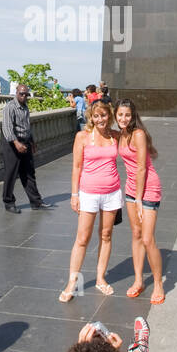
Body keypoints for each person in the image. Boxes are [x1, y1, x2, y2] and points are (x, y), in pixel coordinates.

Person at [60, 98, 122, 302]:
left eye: (103, 115)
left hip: (112, 193)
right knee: (82, 238)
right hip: (89, 193)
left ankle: (100, 279)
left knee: (106, 235)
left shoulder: (116, 136)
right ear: (91, 118)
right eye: (96, 116)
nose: (100, 119)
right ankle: (72, 283)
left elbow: (135, 148)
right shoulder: (82, 136)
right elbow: (76, 167)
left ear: (109, 115)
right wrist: (74, 194)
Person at [115, 99, 165, 305]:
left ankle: (159, 284)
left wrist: (138, 198)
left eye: (127, 115)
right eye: (120, 115)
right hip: (131, 188)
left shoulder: (138, 134)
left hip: (148, 188)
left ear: (133, 115)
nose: (123, 118)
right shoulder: (121, 134)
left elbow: (143, 168)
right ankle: (138, 280)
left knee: (147, 238)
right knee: (135, 234)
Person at [1, 83, 50, 212]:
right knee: (11, 174)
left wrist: (32, 142)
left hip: (25, 142)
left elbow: (27, 127)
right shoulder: (10, 107)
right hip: (12, 144)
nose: (24, 96)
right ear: (16, 93)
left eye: (26, 94)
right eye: (21, 93)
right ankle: (8, 202)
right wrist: (16, 143)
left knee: (29, 173)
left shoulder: (25, 107)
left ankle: (36, 202)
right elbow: (7, 128)